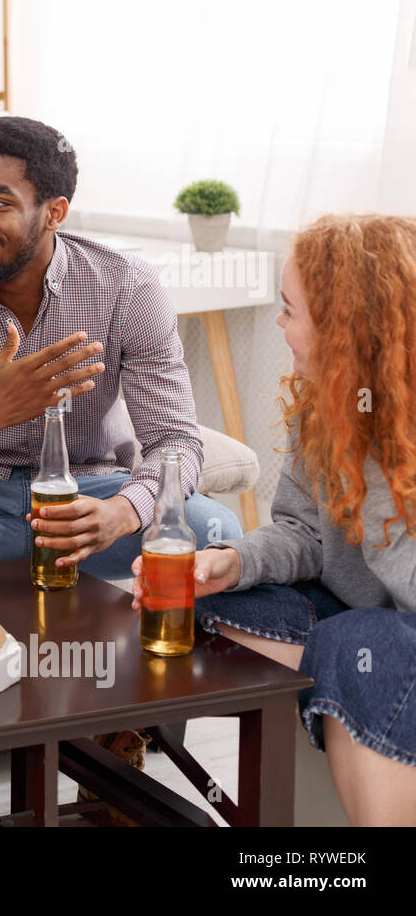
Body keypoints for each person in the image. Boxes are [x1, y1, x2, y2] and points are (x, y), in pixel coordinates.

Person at [0, 115, 241, 824]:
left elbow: (178, 444)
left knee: (214, 528)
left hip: (91, 493)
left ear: (54, 211)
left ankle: (121, 733)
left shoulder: (126, 287)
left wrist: (126, 510)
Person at [131, 214, 416, 827]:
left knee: (355, 643)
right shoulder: (324, 405)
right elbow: (305, 534)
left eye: (290, 311)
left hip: (394, 629)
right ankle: (123, 784)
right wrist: (232, 562)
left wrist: (371, 457)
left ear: (347, 330)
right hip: (349, 614)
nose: (281, 327)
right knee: (177, 603)